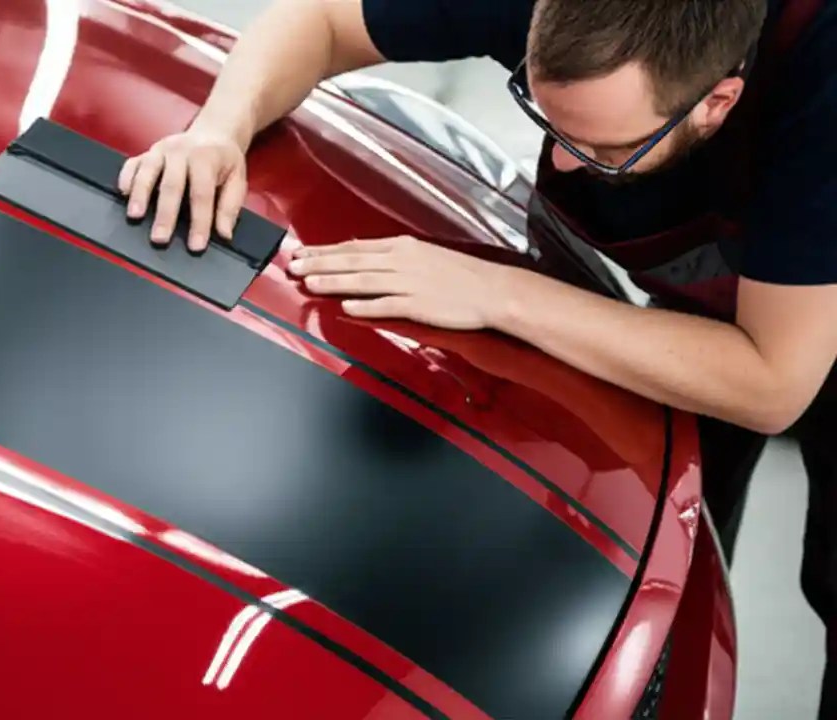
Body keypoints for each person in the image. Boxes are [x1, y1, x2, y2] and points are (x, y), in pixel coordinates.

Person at [118, 0, 837, 713]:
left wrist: (501, 294)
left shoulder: (821, 87)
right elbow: (322, 20)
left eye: (599, 149)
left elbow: (771, 383)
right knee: (672, 516)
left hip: (801, 308)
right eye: (545, 118)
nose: (560, 163)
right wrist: (219, 129)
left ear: (717, 104)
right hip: (719, 270)